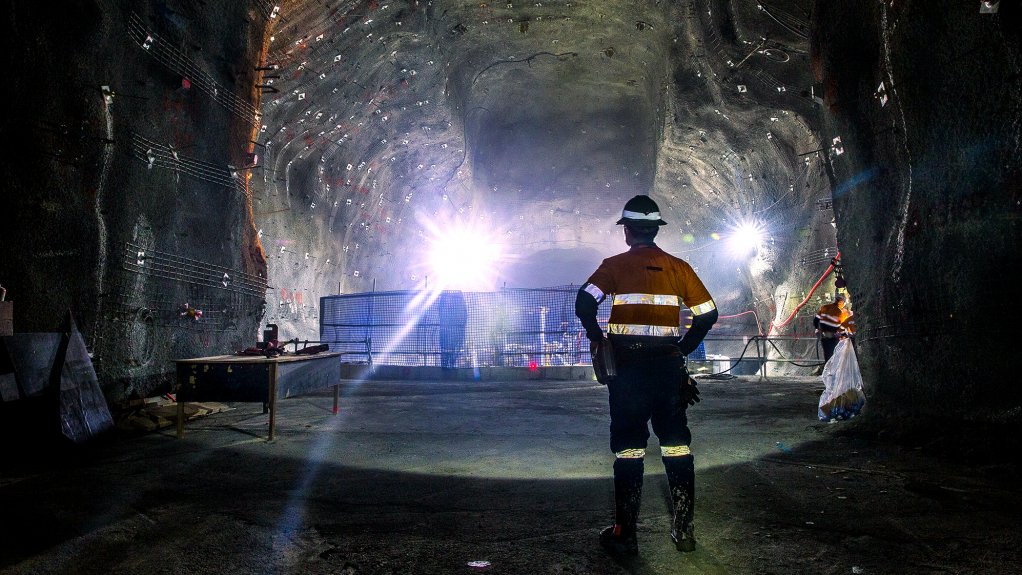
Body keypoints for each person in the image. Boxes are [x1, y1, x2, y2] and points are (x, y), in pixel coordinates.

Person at [575, 195, 718, 556]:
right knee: (676, 443)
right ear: (655, 229)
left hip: (628, 370)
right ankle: (683, 531)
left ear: (627, 232)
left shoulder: (614, 266)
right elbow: (708, 314)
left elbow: (585, 301)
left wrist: (597, 336)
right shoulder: (679, 268)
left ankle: (625, 534)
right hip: (669, 369)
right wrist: (683, 349)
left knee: (628, 449)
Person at [814, 293, 851, 362]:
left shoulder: (824, 307)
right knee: (833, 355)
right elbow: (839, 327)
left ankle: (828, 369)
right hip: (831, 336)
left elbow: (816, 320)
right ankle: (833, 370)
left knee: (827, 355)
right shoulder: (838, 312)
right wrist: (844, 335)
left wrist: (818, 329)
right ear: (840, 303)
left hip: (823, 336)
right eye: (843, 303)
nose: (843, 305)